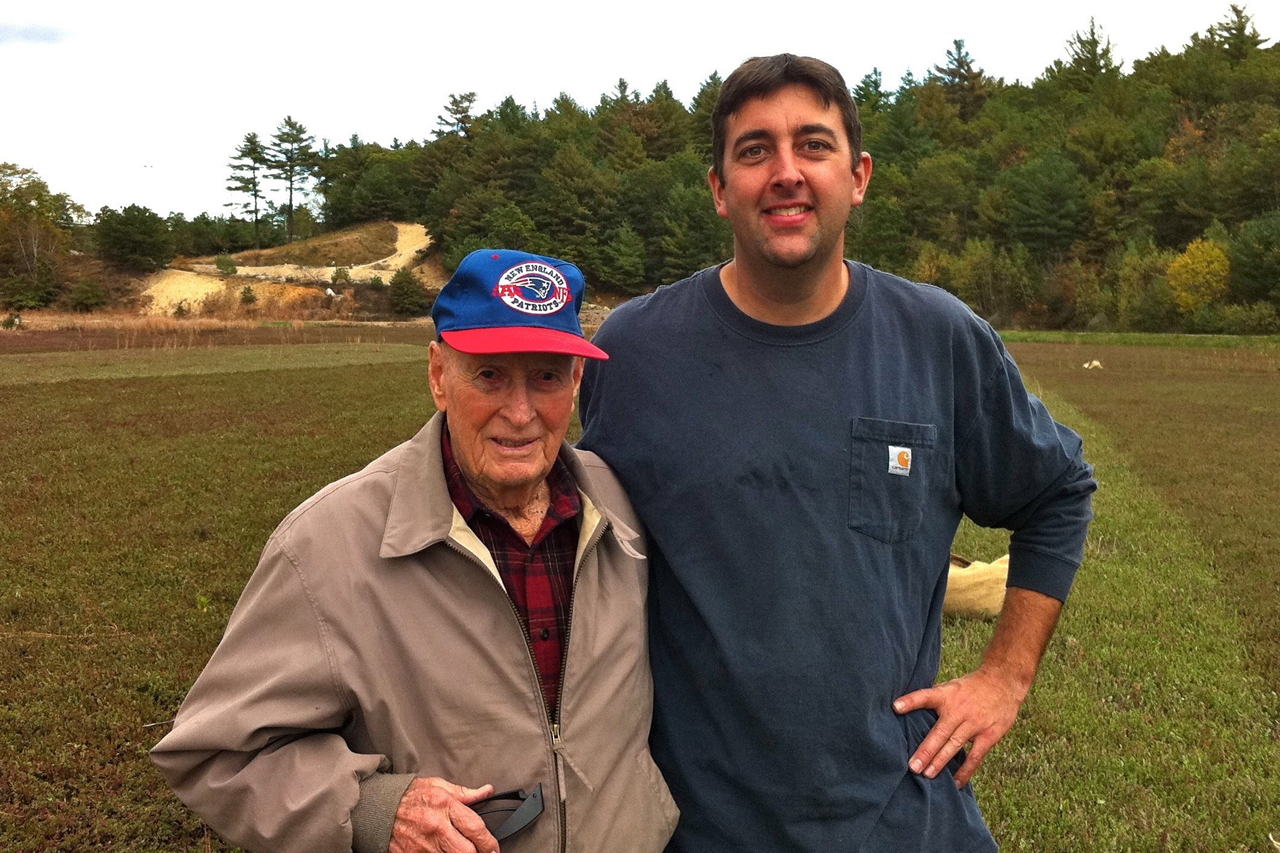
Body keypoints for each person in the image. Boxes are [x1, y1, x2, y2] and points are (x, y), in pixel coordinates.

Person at [577, 54, 1096, 852]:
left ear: (858, 177)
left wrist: (1004, 676)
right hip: (699, 829)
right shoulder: (637, 353)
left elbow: (1057, 490)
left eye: (813, 145)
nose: (786, 172)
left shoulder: (937, 338)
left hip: (904, 819)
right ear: (719, 188)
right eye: (755, 150)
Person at [152, 249, 679, 853]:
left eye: (547, 377)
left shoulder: (621, 505)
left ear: (577, 381)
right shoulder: (326, 545)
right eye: (490, 375)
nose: (521, 412)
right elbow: (218, 754)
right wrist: (375, 808)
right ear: (437, 375)